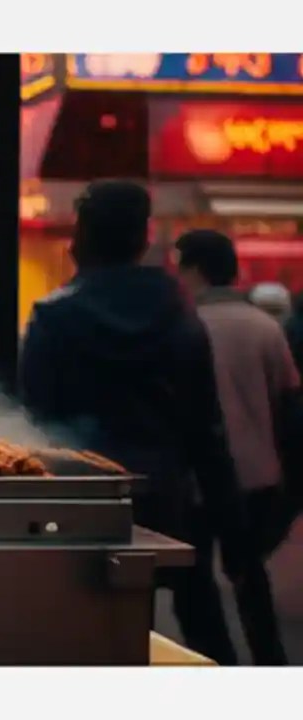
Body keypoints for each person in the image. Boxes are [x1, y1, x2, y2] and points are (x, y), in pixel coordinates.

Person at [20, 180, 250, 666]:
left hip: (83, 511)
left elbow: (33, 433)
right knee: (205, 638)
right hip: (169, 502)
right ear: (144, 241)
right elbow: (206, 430)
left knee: (86, 648)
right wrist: (235, 536)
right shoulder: (180, 315)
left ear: (79, 240)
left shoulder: (51, 320)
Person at [174, 230, 298, 665]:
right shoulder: (266, 328)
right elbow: (288, 403)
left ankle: (215, 665)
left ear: (194, 269)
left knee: (195, 581)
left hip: (197, 479)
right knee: (250, 577)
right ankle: (271, 664)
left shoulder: (185, 326)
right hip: (260, 477)